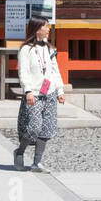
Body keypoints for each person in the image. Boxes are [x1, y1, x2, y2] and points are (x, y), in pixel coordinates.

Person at [14, 16, 66, 172]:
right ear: (37, 28)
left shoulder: (50, 49)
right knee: (33, 128)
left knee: (46, 129)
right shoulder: (26, 49)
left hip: (49, 92)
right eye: (45, 26)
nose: (48, 29)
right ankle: (20, 151)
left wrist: (60, 90)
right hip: (34, 94)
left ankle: (37, 163)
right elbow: (23, 71)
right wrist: (27, 90)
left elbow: (55, 71)